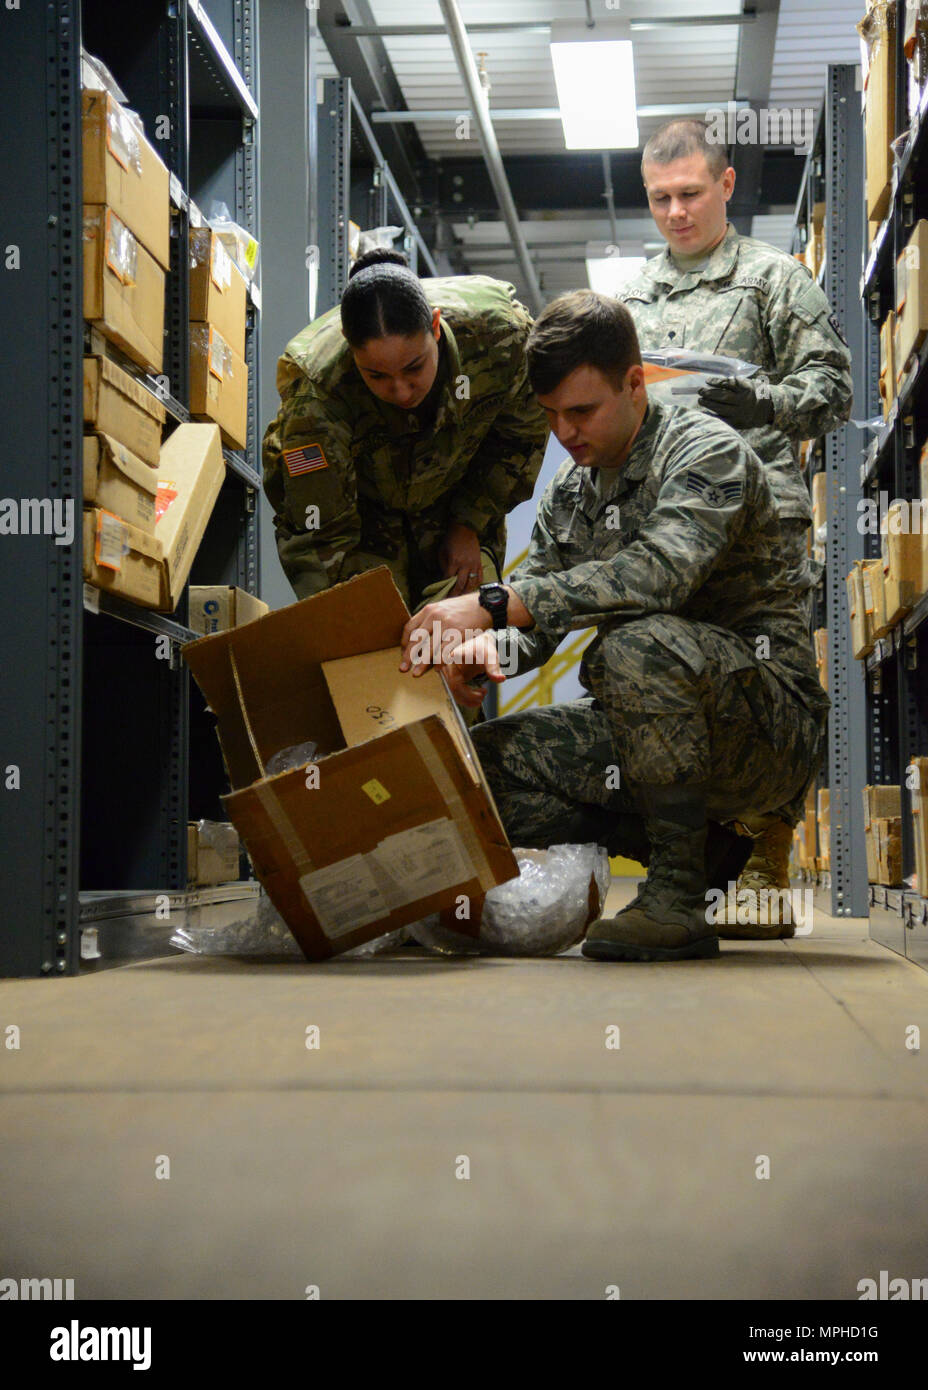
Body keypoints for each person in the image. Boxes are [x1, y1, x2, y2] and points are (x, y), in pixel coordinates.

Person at [398, 292, 831, 962]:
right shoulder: (573, 495)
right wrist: (489, 651)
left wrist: (487, 604)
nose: (565, 434)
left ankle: (678, 898)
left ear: (635, 384)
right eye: (550, 417)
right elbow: (534, 626)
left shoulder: (706, 453)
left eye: (581, 412)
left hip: (764, 728)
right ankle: (701, 849)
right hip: (650, 729)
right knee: (482, 771)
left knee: (638, 642)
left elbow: (657, 576)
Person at [615, 117, 852, 931]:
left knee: (774, 690)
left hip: (760, 536)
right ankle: (694, 862)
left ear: (725, 186)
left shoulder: (775, 280)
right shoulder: (631, 300)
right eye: (659, 199)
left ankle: (765, 857)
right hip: (668, 537)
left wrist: (767, 404)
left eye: (688, 193)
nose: (675, 212)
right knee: (674, 691)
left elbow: (834, 390)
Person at [262, 249, 548, 611]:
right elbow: (319, 528)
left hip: (459, 496)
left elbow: (519, 438)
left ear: (434, 325)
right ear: (351, 349)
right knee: (372, 643)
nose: (400, 390)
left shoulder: (500, 338)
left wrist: (469, 522)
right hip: (363, 518)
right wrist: (352, 607)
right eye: (376, 376)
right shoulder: (317, 392)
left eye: (414, 367)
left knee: (468, 637)